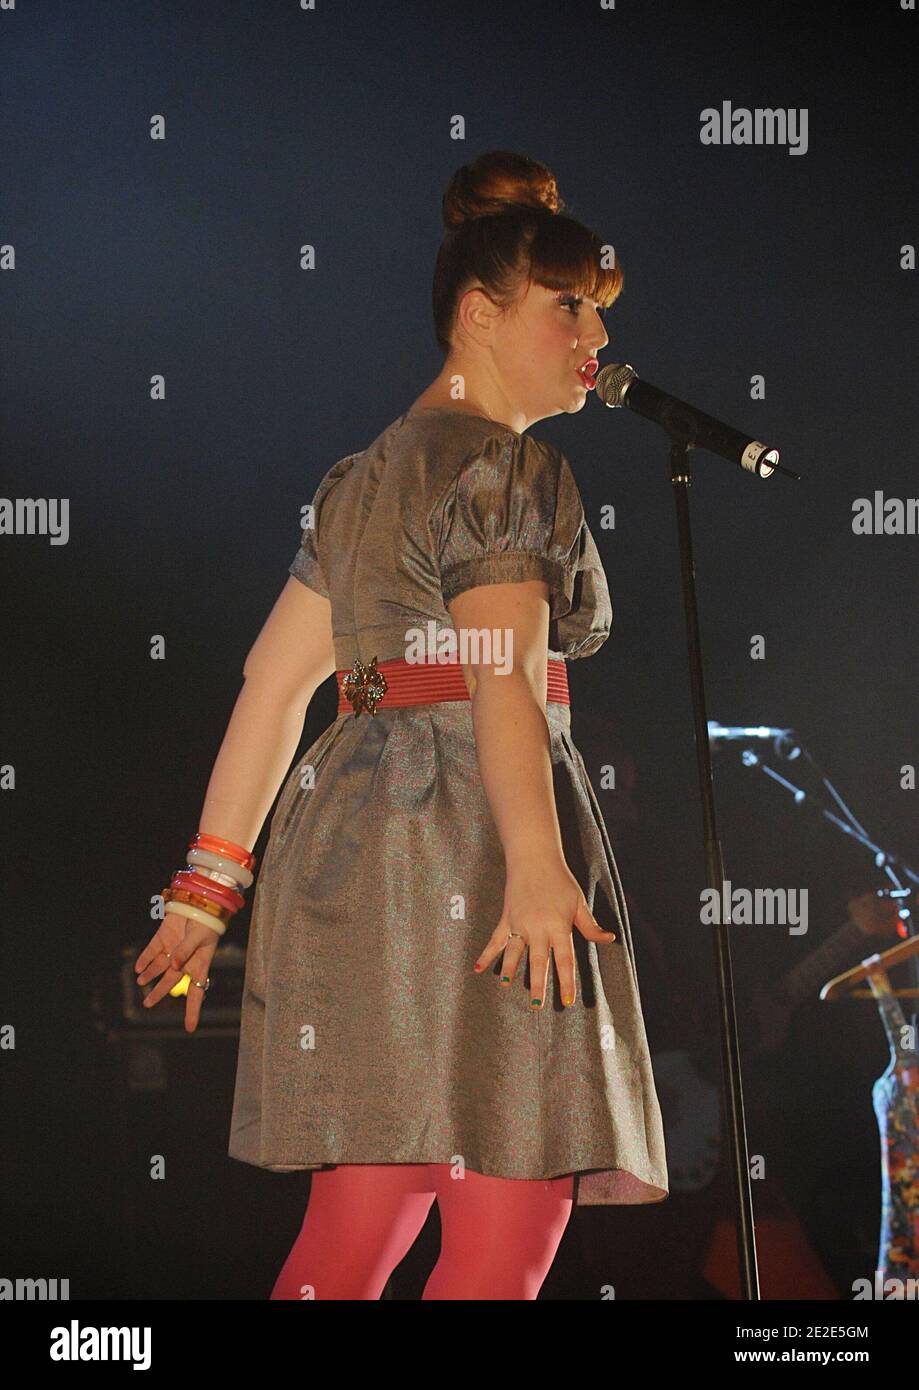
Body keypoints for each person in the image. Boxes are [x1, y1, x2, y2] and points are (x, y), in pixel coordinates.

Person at [133, 150, 669, 1300]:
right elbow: (503, 674)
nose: (592, 333)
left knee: (358, 1223)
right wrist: (534, 866)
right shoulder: (507, 467)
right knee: (504, 1221)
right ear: (480, 311)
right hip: (474, 837)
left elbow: (273, 683)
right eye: (566, 306)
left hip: (354, 851)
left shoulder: (360, 476)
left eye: (597, 309)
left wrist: (204, 890)